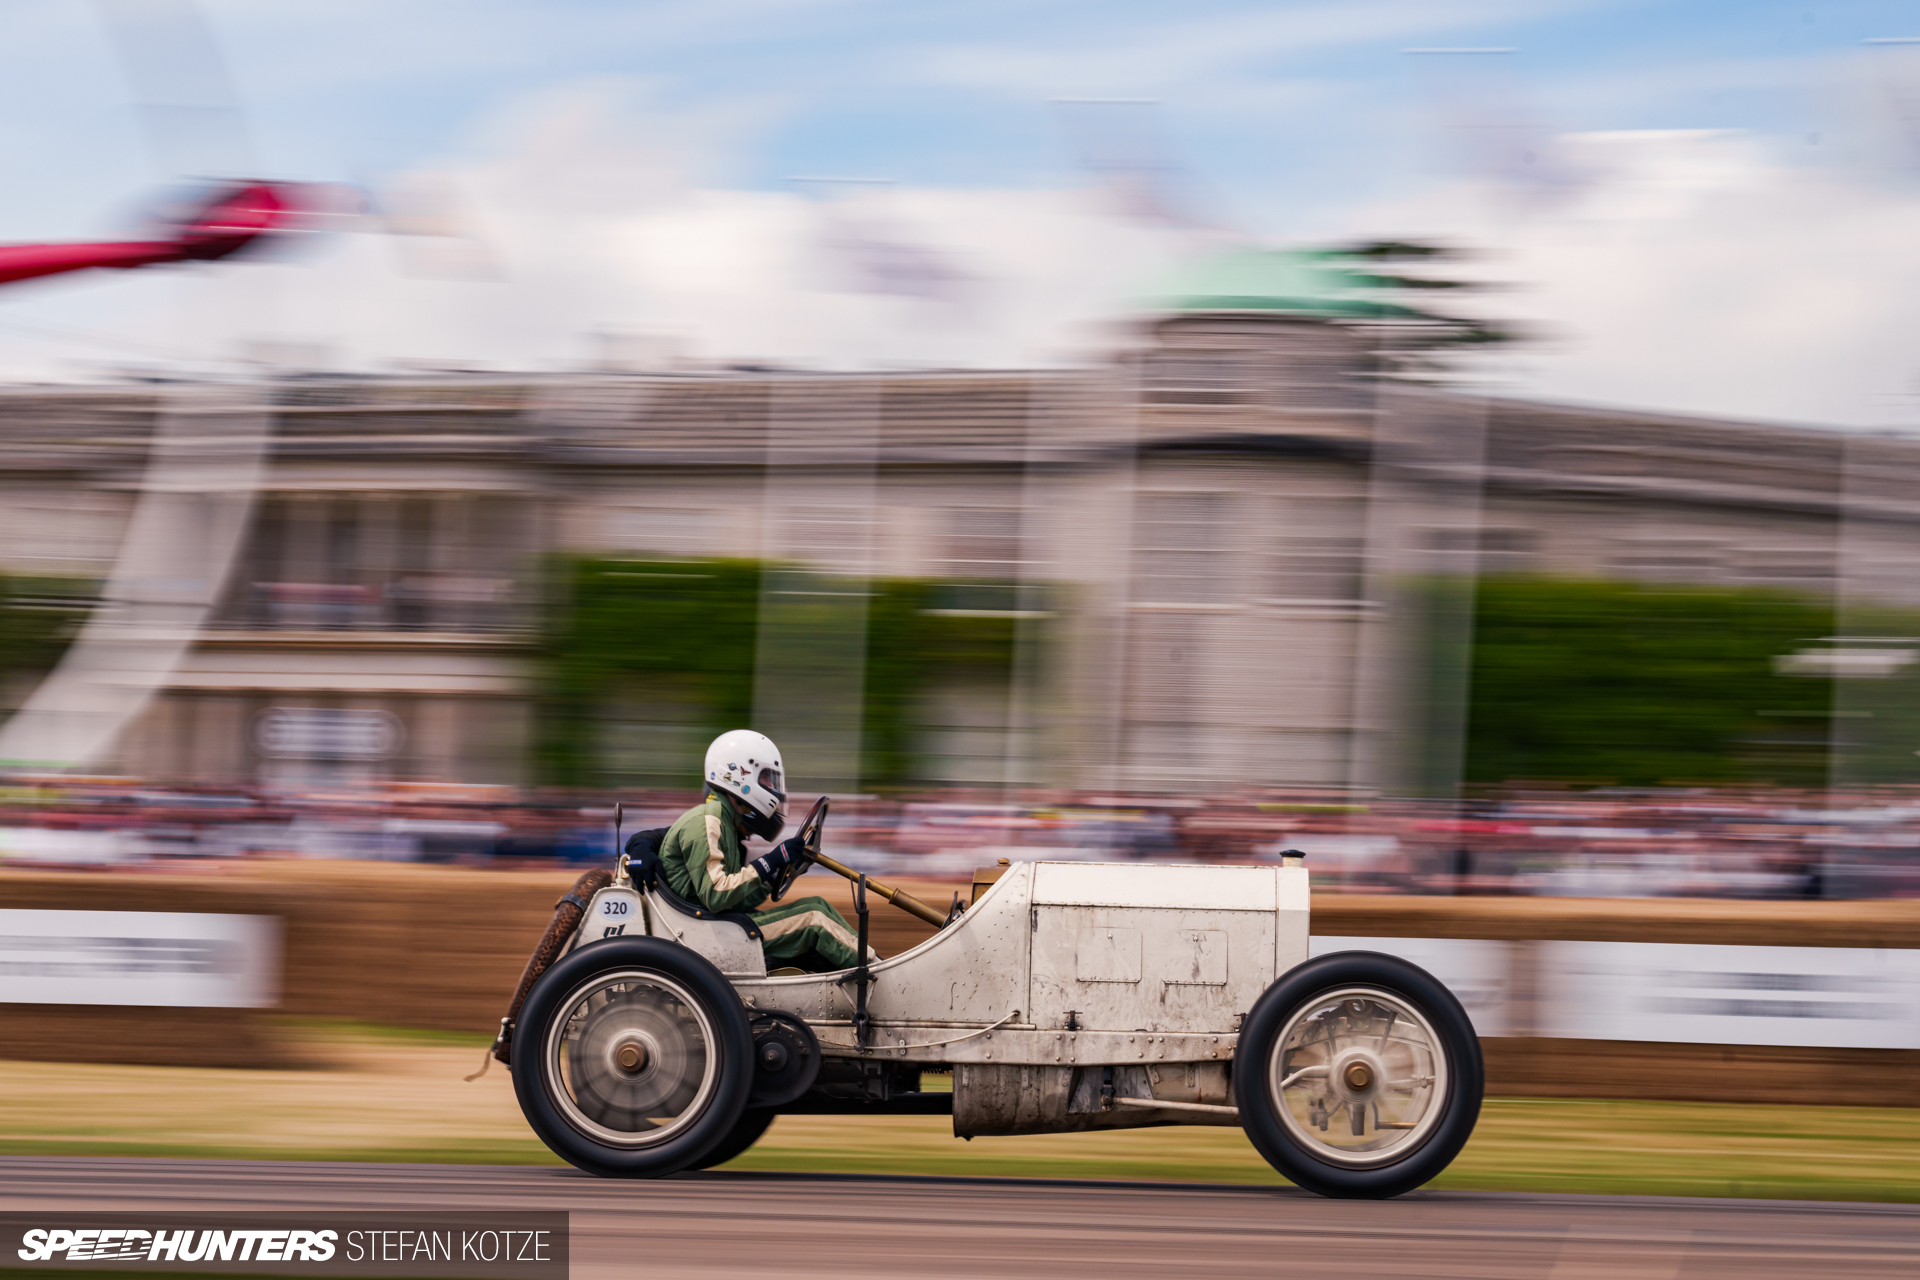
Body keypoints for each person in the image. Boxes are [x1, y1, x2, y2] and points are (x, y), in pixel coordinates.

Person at [655, 729, 866, 973]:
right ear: (737, 774)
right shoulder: (707, 821)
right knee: (814, 917)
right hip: (707, 933)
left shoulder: (726, 822)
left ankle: (869, 967)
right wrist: (773, 860)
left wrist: (772, 877)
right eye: (766, 777)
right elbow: (716, 896)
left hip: (718, 924)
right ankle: (879, 972)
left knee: (816, 904)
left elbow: (735, 898)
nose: (772, 786)